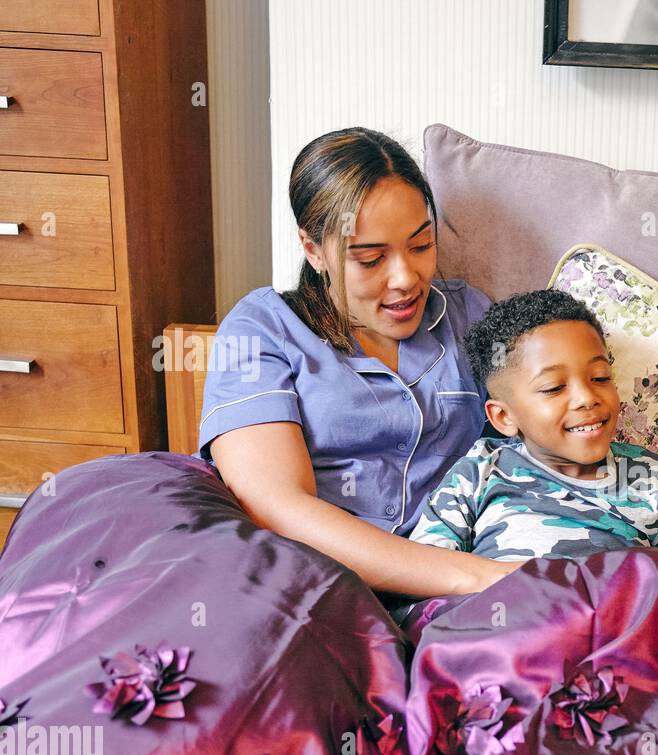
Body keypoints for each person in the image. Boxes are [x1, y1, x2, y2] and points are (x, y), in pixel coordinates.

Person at [198, 128, 519, 599]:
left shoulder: (469, 316)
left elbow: (538, 441)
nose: (406, 279)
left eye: (421, 245)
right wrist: (475, 577)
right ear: (313, 250)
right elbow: (276, 505)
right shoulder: (262, 329)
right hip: (318, 585)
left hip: (459, 580)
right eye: (370, 259)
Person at [409, 289, 658, 560]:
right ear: (504, 417)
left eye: (599, 378)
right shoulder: (479, 472)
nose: (587, 398)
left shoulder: (657, 478)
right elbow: (424, 573)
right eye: (553, 388)